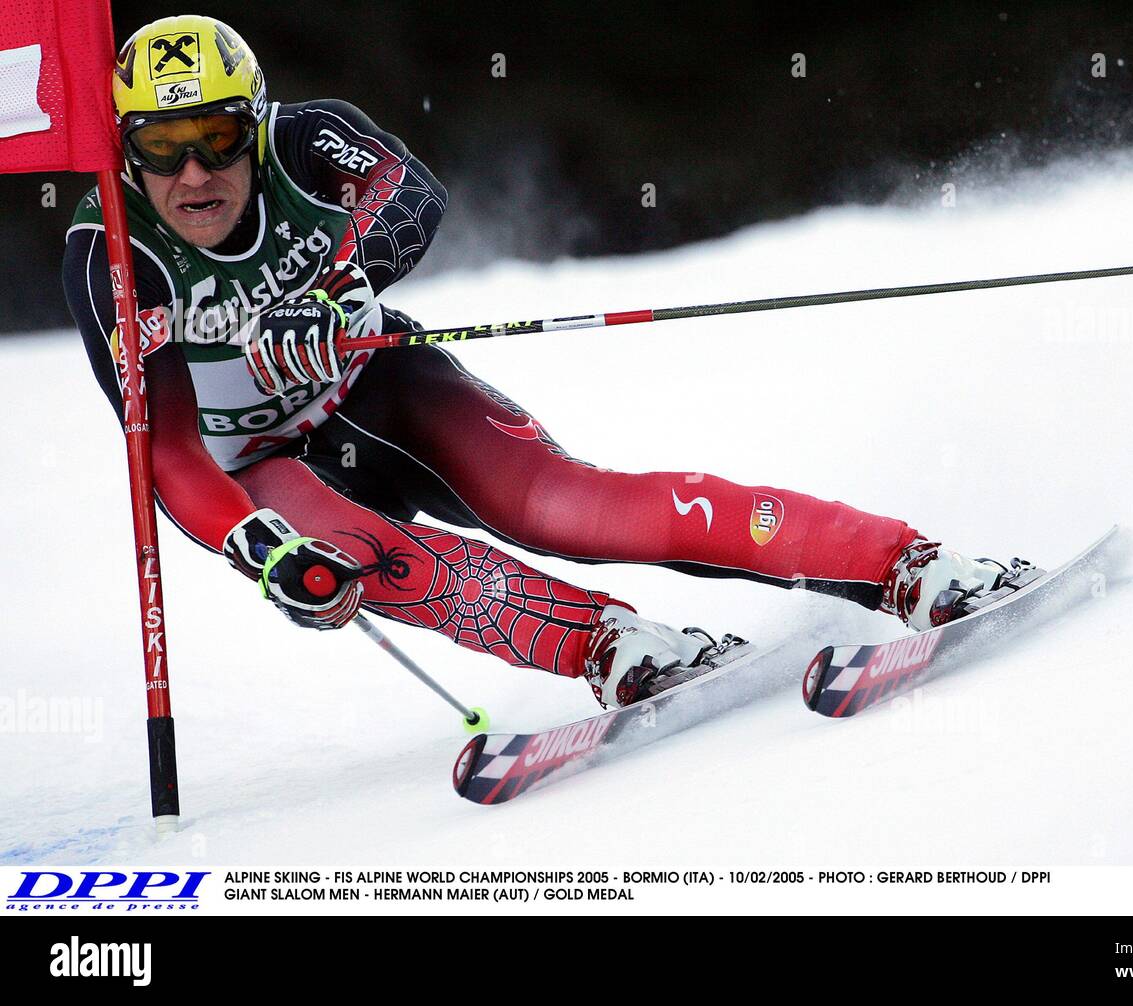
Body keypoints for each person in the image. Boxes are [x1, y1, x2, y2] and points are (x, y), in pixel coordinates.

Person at [64, 15, 1018, 710]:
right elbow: (167, 449)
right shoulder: (113, 253)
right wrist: (254, 546)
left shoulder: (304, 141)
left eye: (219, 139)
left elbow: (410, 194)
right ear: (126, 148)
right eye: (162, 148)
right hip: (256, 466)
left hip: (375, 384)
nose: (194, 175)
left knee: (562, 506)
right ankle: (610, 647)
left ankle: (909, 565)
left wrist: (332, 286)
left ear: (256, 123)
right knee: (375, 563)